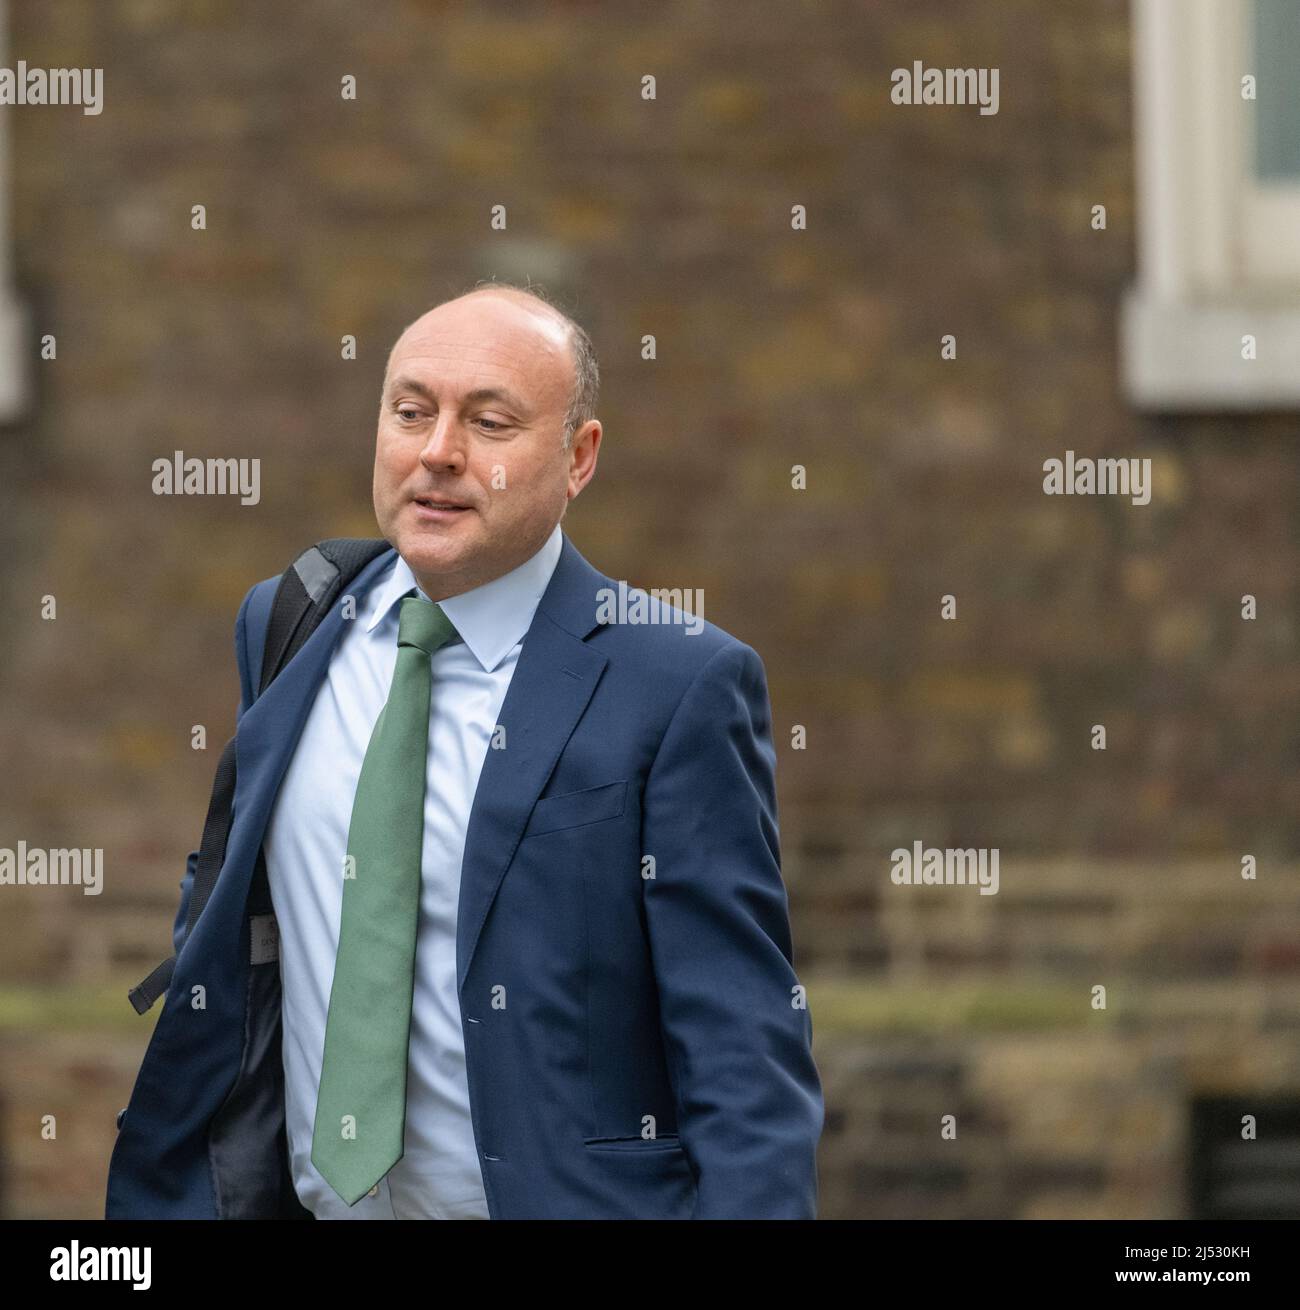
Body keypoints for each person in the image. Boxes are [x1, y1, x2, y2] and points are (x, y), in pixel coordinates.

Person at [106, 281, 824, 1219]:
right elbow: (230, 904)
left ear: (579, 457)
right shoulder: (287, 620)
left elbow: (741, 1047)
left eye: (490, 423)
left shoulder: (678, 683)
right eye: (411, 412)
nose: (438, 453)